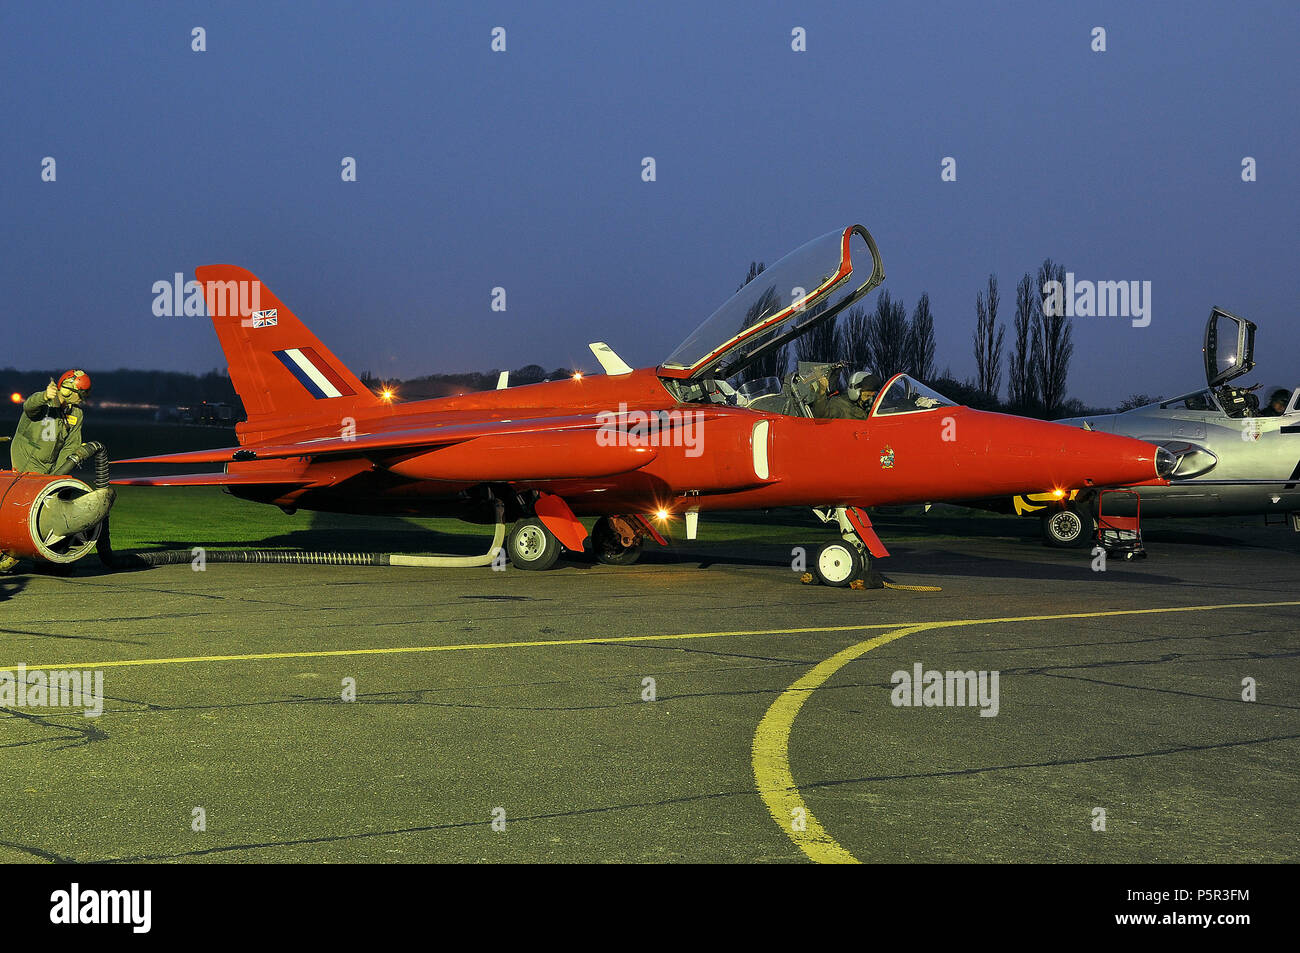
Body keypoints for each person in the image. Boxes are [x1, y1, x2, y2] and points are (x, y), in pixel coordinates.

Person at [9, 370, 98, 475]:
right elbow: (29, 406)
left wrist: (57, 474)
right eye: (80, 395)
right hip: (26, 460)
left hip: (50, 465)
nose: (82, 400)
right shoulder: (43, 403)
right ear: (67, 391)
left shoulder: (76, 414)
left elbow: (70, 446)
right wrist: (44, 397)